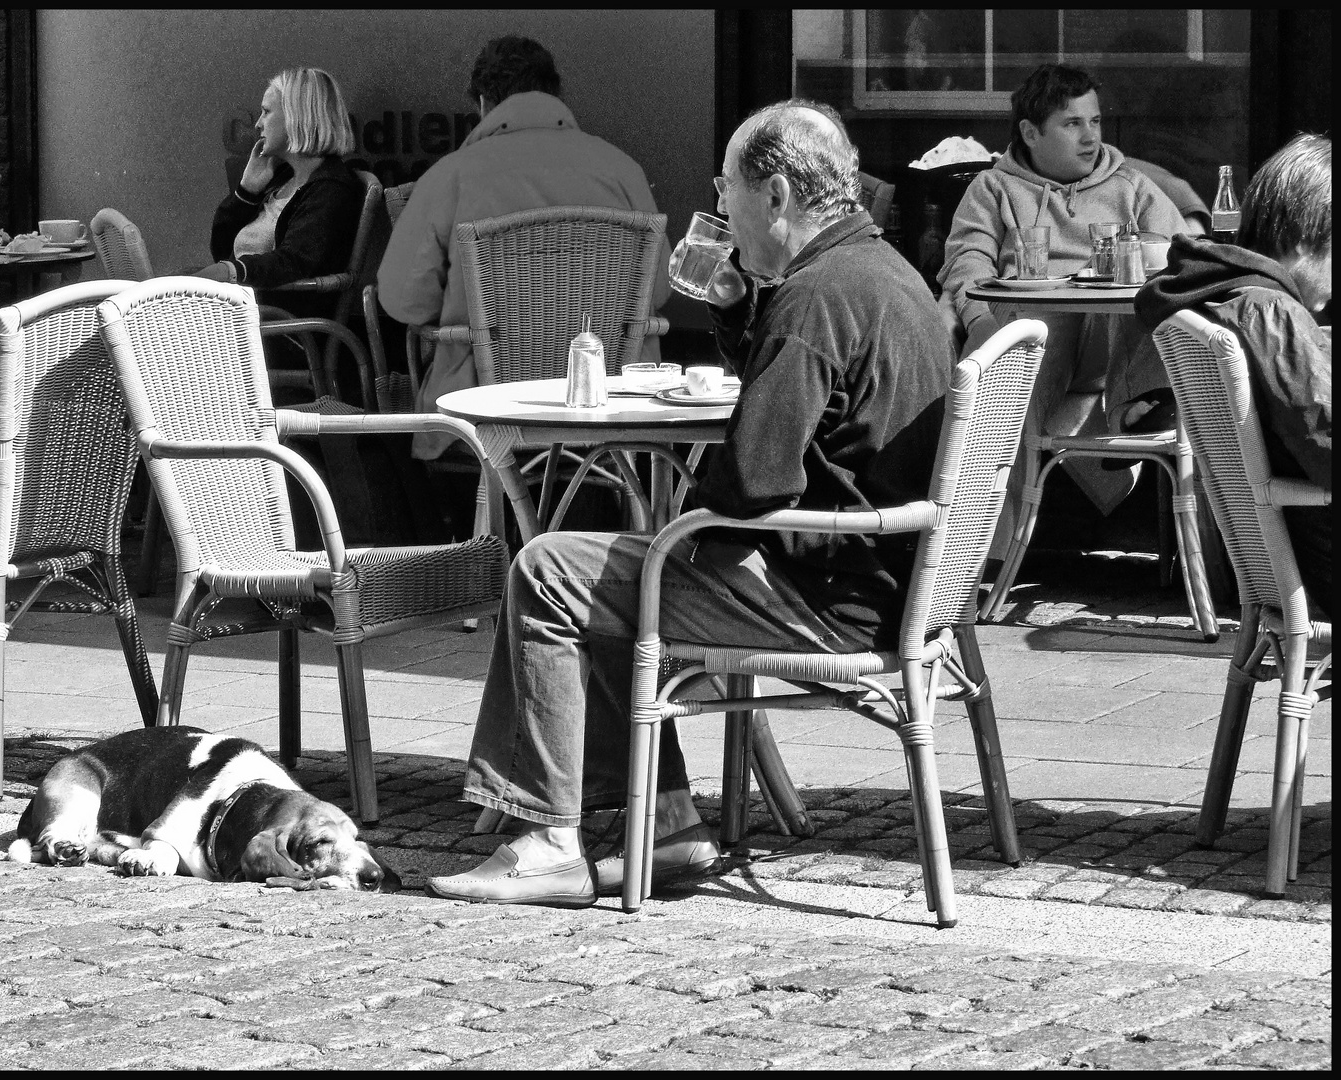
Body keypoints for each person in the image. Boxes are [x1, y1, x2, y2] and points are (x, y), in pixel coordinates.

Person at [425, 103, 954, 907]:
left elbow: (751, 483)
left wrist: (682, 525)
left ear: (774, 196)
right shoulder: (881, 275)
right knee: (608, 569)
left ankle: (544, 841)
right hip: (891, 585)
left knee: (550, 568)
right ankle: (666, 826)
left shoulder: (815, 299)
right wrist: (741, 307)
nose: (716, 204)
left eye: (725, 187)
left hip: (829, 598)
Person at [377, 35, 668, 461]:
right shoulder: (622, 169)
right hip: (610, 409)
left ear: (482, 103)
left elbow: (402, 301)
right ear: (554, 94)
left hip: (479, 411)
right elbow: (657, 291)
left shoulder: (451, 175)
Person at [938, 63, 1184, 514]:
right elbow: (967, 259)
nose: (1090, 137)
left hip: (1112, 342)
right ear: (1031, 133)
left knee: (1151, 301)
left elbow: (1182, 254)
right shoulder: (994, 188)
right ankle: (982, 543)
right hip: (1037, 339)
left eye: (1095, 121)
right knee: (1039, 325)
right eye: (1072, 124)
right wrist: (981, 322)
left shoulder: (1131, 186)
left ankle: (1138, 408)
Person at [1135, 133, 1331, 619]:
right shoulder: (1271, 312)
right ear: (1308, 239)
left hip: (1287, 550)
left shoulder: (1223, 296)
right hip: (1320, 561)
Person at [196, 66, 364, 319]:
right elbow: (221, 249)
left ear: (298, 117)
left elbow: (293, 262)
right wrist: (247, 191)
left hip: (280, 331)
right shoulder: (282, 178)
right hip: (246, 316)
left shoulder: (331, 189)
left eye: (266, 112)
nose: (258, 123)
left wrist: (231, 272)